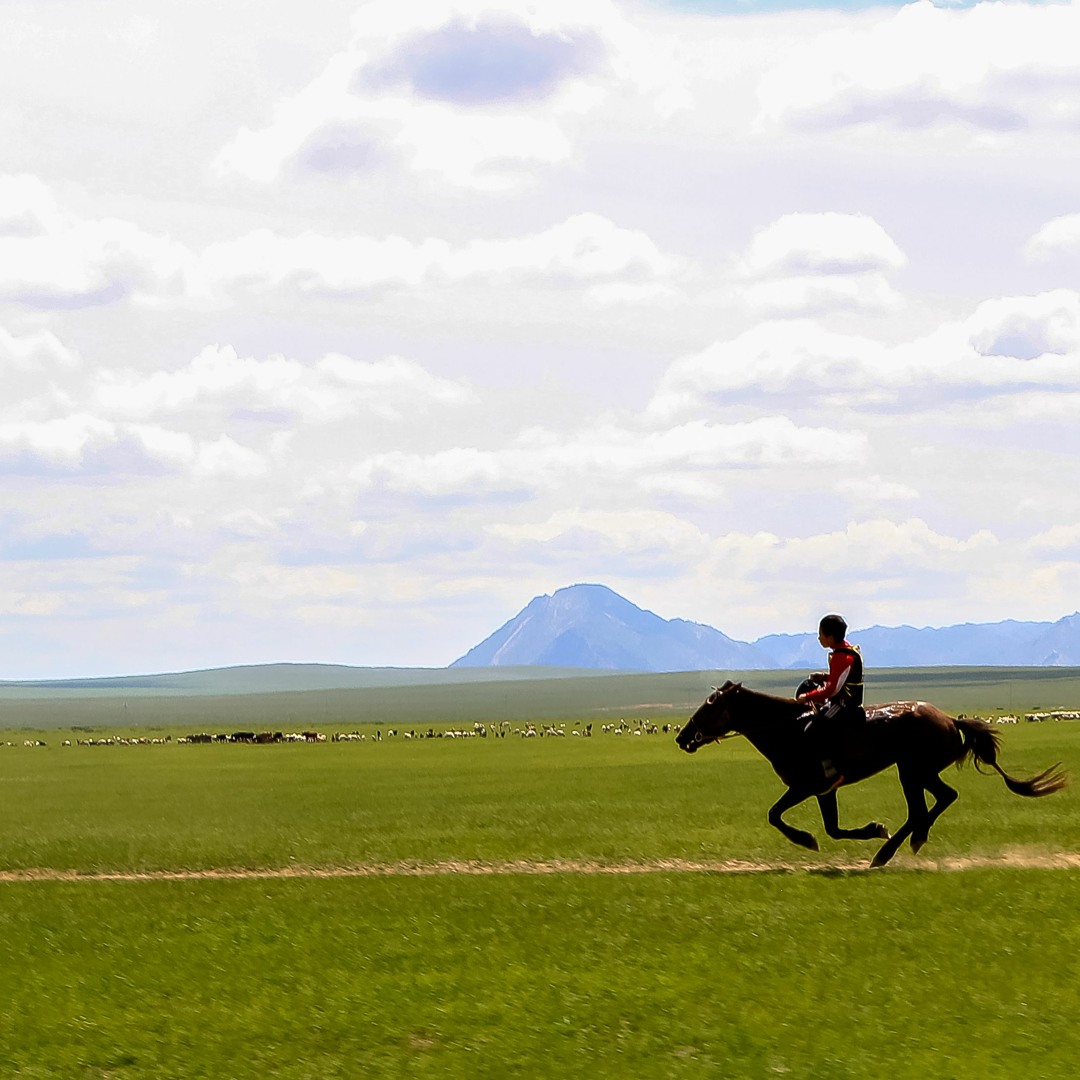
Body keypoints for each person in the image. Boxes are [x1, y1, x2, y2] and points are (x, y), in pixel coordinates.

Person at [795, 613, 865, 787]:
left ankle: (833, 771)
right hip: (843, 701)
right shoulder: (846, 650)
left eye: (821, 634)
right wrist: (824, 676)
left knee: (814, 728)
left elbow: (832, 689)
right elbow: (842, 678)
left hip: (844, 704)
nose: (819, 638)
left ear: (831, 637)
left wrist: (807, 697)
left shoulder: (842, 657)